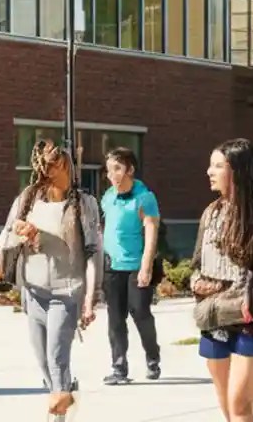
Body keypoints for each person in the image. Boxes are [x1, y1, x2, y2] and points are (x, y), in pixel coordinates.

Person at [0, 139, 102, 422]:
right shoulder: (27, 200)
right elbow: (3, 239)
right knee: (43, 361)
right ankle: (66, 393)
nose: (56, 172)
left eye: (61, 165)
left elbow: (94, 254)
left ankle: (59, 411)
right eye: (51, 166)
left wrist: (90, 299)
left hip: (66, 292)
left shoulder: (84, 204)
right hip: (33, 291)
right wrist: (18, 231)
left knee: (56, 356)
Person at [191, 139, 253, 422]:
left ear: (238, 171)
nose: (209, 172)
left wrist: (248, 305)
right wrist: (198, 285)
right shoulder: (211, 213)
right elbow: (197, 263)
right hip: (213, 320)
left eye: (218, 166)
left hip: (251, 324)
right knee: (229, 409)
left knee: (240, 407)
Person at [100, 147, 162, 385]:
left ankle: (152, 356)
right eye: (109, 170)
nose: (112, 174)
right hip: (112, 266)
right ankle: (119, 366)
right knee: (115, 318)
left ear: (130, 169)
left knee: (140, 312)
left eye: (117, 168)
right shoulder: (108, 196)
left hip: (136, 265)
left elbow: (151, 232)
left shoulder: (144, 197)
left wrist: (146, 267)